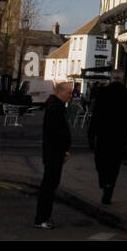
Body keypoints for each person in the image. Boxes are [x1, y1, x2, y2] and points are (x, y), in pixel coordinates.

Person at [88, 71, 127, 204]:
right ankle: (108, 191)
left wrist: (91, 136)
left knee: (101, 162)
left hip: (103, 134)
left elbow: (95, 115)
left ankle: (104, 182)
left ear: (111, 78)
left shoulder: (102, 93)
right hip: (120, 135)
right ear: (122, 79)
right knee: (114, 165)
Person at [34, 80, 73, 229]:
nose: (71, 95)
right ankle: (42, 219)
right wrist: (63, 150)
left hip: (54, 153)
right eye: (68, 92)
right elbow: (55, 133)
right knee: (49, 187)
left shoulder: (57, 106)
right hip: (53, 154)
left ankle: (44, 217)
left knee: (50, 186)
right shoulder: (55, 108)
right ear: (59, 92)